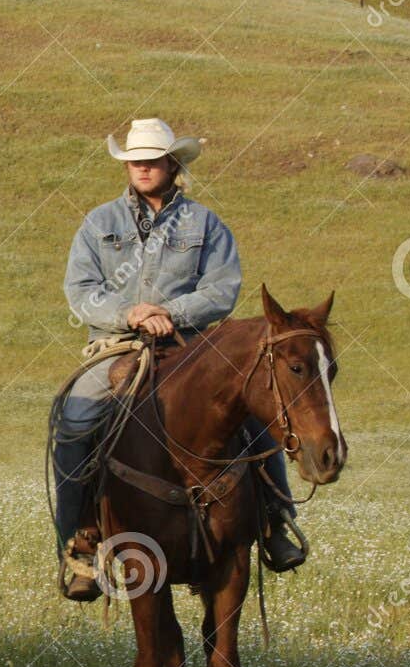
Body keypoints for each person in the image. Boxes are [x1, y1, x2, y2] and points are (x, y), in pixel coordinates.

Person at [53, 118, 305, 602]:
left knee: (257, 417)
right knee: (74, 421)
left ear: (173, 164)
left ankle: (277, 521)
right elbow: (80, 291)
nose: (142, 167)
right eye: (134, 160)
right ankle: (80, 544)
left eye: (151, 159)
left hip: (192, 349)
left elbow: (223, 289)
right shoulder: (98, 223)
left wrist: (169, 312)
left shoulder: (206, 224)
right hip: (116, 348)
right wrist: (129, 313)